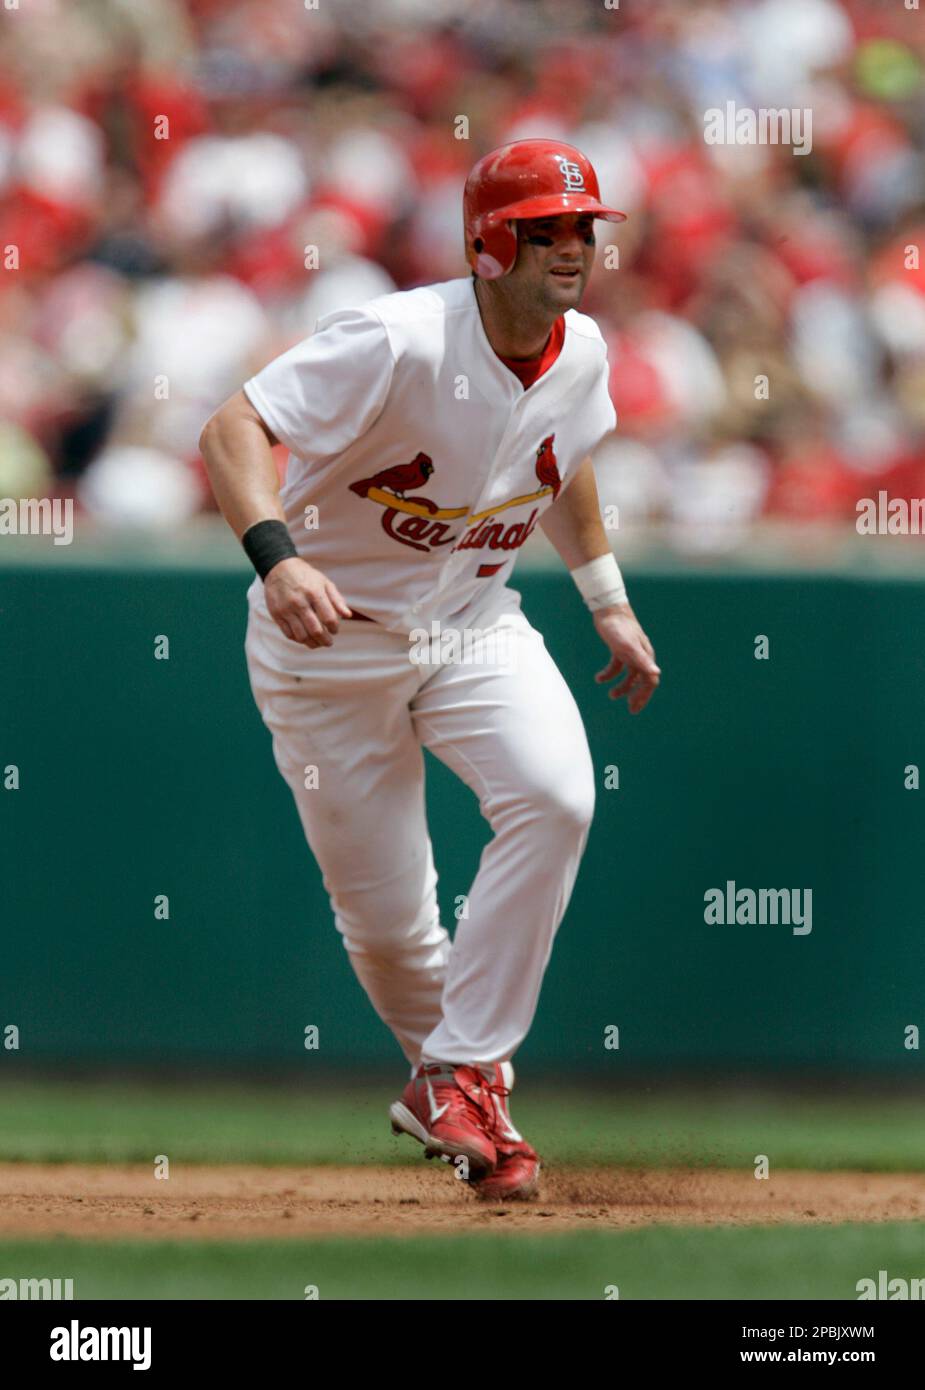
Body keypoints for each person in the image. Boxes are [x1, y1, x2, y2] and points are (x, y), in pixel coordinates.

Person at [199, 140, 660, 1201]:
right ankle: (461, 1093)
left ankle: (458, 1072)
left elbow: (566, 456)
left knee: (555, 795)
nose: (574, 246)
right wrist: (277, 560)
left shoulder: (578, 351)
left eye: (584, 228)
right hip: (329, 646)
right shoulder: (397, 337)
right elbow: (233, 426)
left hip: (469, 623)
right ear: (489, 242)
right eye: (548, 227)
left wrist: (607, 598)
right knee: (393, 918)